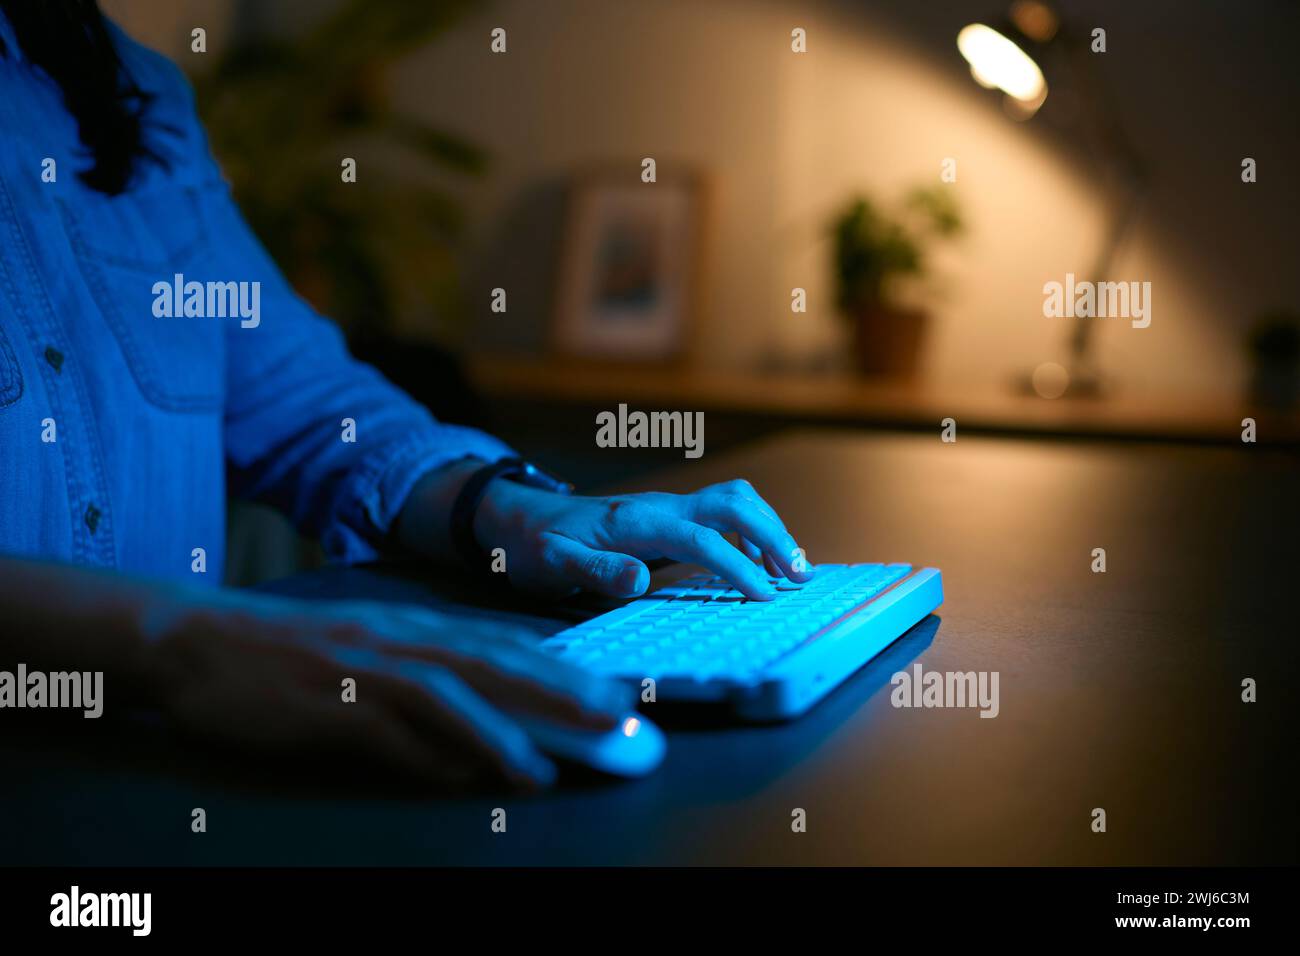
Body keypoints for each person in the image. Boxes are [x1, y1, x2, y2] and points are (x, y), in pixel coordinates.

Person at [0, 2, 811, 788]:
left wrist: (511, 508)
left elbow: (309, 403)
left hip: (159, 781)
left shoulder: (121, 89)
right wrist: (194, 645)